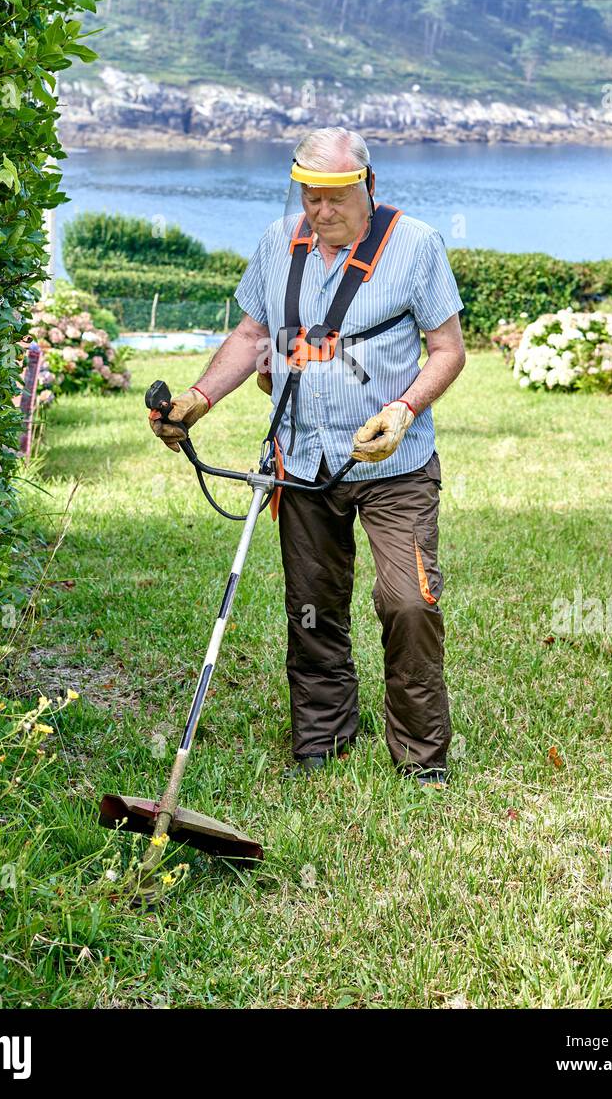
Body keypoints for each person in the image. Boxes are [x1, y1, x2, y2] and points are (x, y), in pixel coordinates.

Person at [149, 127, 466, 786]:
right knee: (311, 606)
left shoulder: (416, 245)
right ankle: (322, 738)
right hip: (300, 457)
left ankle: (420, 757)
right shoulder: (276, 243)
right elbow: (251, 333)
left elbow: (447, 350)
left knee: (408, 601)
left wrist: (401, 410)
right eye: (310, 197)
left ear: (369, 189)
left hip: (393, 462)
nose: (322, 211)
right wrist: (198, 399)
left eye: (336, 197)